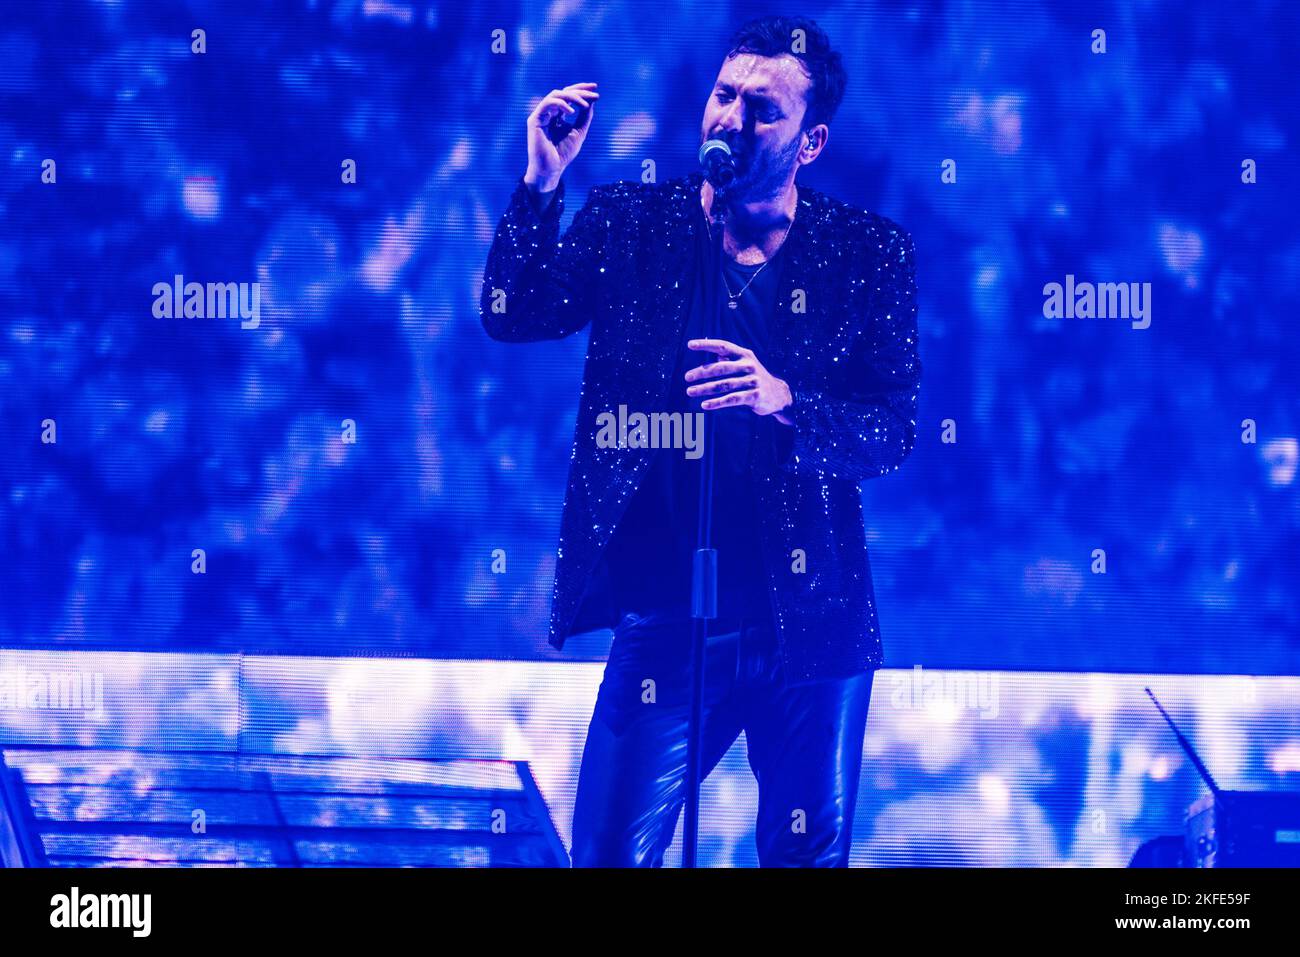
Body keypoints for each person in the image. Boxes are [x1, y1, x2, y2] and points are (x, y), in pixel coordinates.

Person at [480, 14, 921, 866]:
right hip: (671, 612)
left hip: (811, 617)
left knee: (806, 853)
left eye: (762, 109)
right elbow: (512, 312)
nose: (730, 119)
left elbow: (893, 430)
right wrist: (541, 182)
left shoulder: (868, 253)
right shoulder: (630, 225)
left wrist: (786, 399)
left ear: (809, 141)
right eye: (724, 96)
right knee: (608, 852)